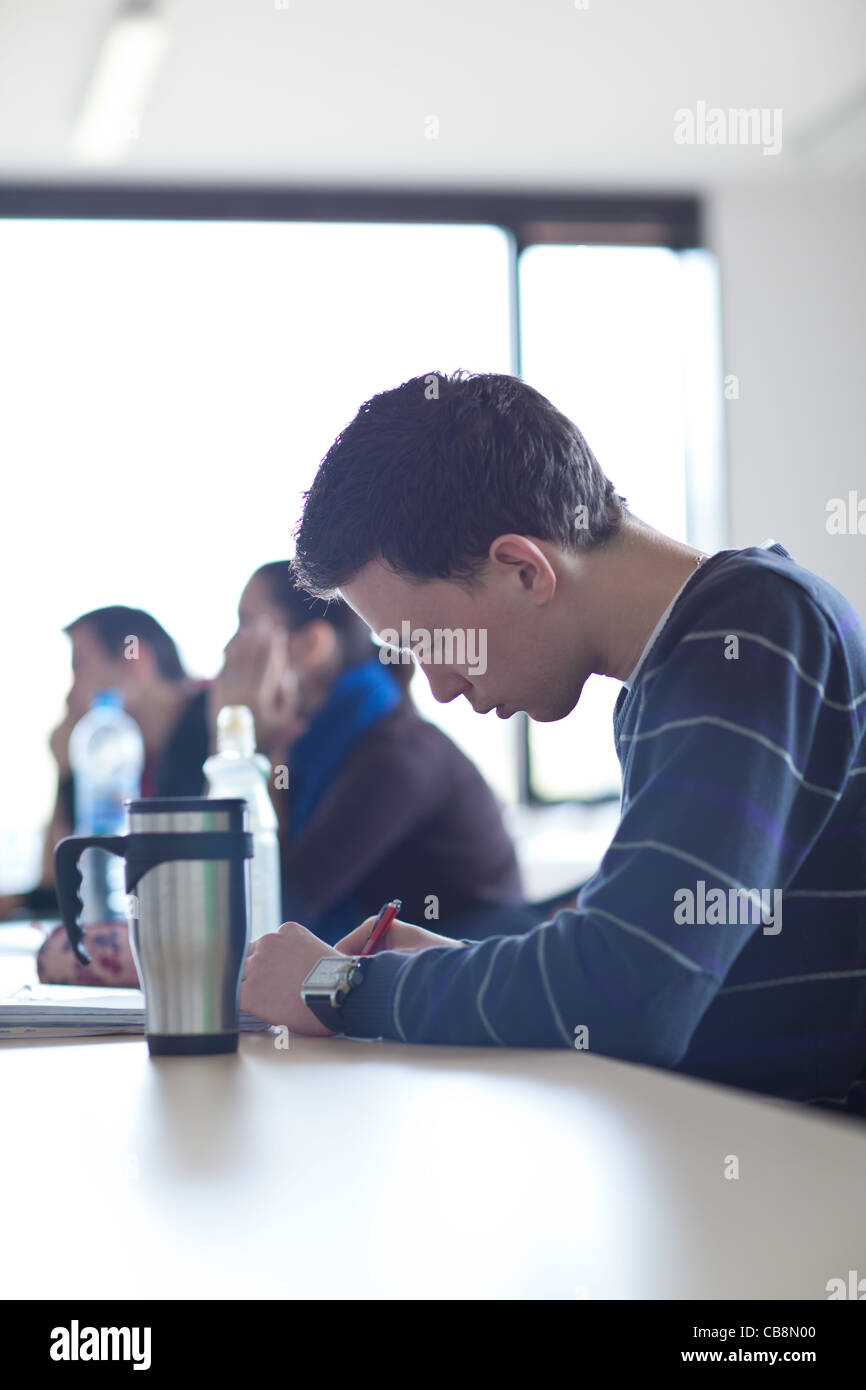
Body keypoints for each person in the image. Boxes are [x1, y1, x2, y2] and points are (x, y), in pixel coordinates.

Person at [239, 370, 866, 1116]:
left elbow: (630, 1001)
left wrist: (336, 988)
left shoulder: (750, 631)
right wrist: (455, 969)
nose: (436, 687)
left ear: (524, 570)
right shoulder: (670, 675)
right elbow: (672, 975)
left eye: (427, 641)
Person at [213, 561, 529, 944]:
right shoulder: (315, 746)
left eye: (246, 624)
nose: (229, 646)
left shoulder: (394, 755)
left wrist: (240, 748)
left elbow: (276, 911)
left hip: (461, 976)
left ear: (312, 643)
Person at [0, 606, 209, 918]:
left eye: (79, 668)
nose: (70, 696)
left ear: (134, 661)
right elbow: (58, 886)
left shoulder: (212, 721)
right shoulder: (131, 754)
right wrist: (66, 772)